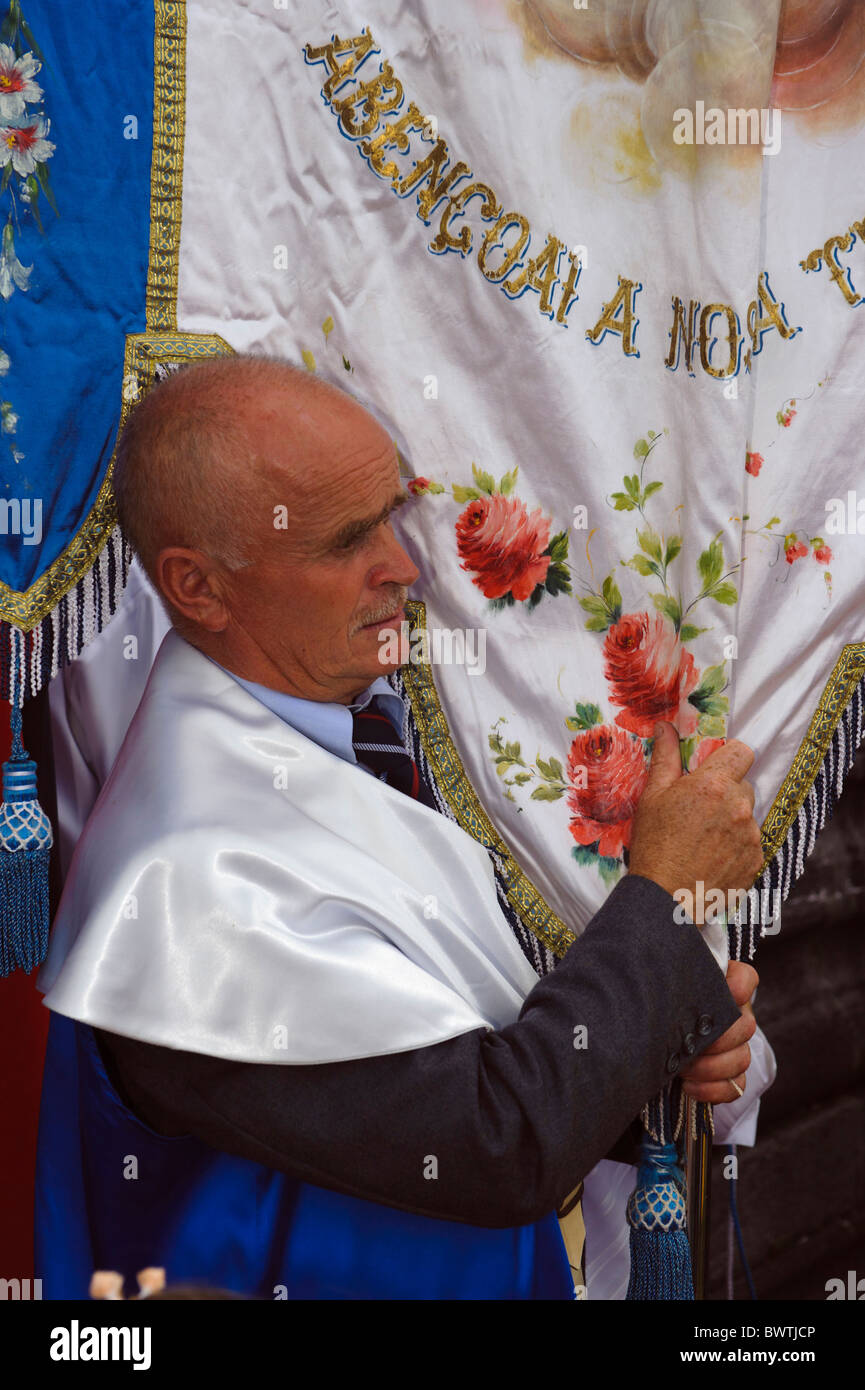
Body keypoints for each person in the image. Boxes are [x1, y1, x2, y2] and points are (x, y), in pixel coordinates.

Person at [35, 354, 763, 1300]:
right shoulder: (188, 882)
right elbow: (497, 1143)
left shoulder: (361, 740)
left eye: (391, 513)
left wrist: (659, 1035)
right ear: (199, 588)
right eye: (345, 542)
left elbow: (454, 1048)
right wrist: (662, 902)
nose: (404, 566)